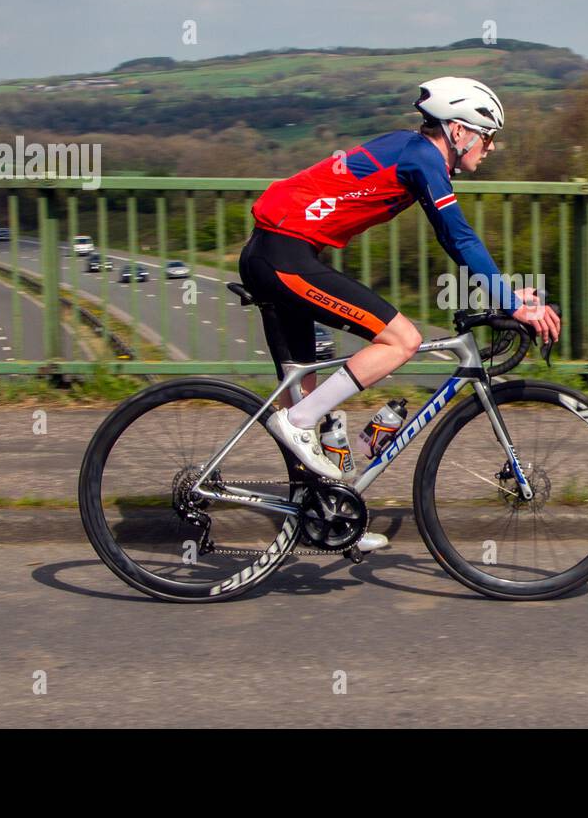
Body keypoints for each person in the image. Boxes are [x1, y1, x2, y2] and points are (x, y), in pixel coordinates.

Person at [239, 77, 561, 551]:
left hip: (281, 254)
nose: (489, 148)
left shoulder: (412, 151)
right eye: (486, 136)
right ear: (457, 130)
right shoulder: (423, 158)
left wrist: (507, 294)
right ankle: (298, 424)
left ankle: (327, 517)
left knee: (304, 398)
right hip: (282, 258)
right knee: (401, 340)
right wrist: (510, 301)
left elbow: (456, 241)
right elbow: (458, 238)